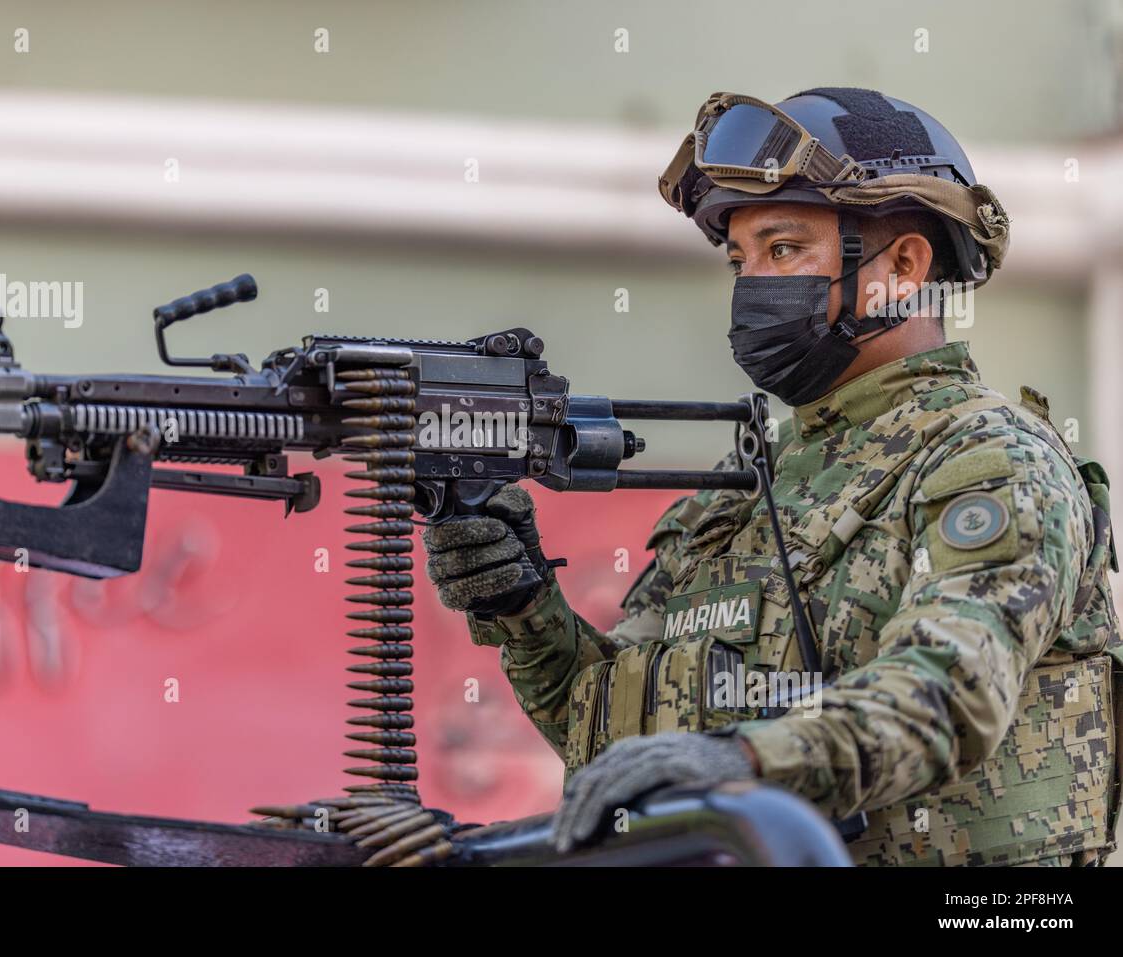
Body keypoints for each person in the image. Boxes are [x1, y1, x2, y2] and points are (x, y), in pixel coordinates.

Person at [422, 87, 1122, 866]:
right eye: (740, 258)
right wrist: (524, 607)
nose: (751, 283)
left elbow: (945, 696)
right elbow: (616, 743)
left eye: (783, 249)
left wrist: (747, 760)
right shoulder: (754, 481)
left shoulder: (991, 460)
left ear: (903, 265)